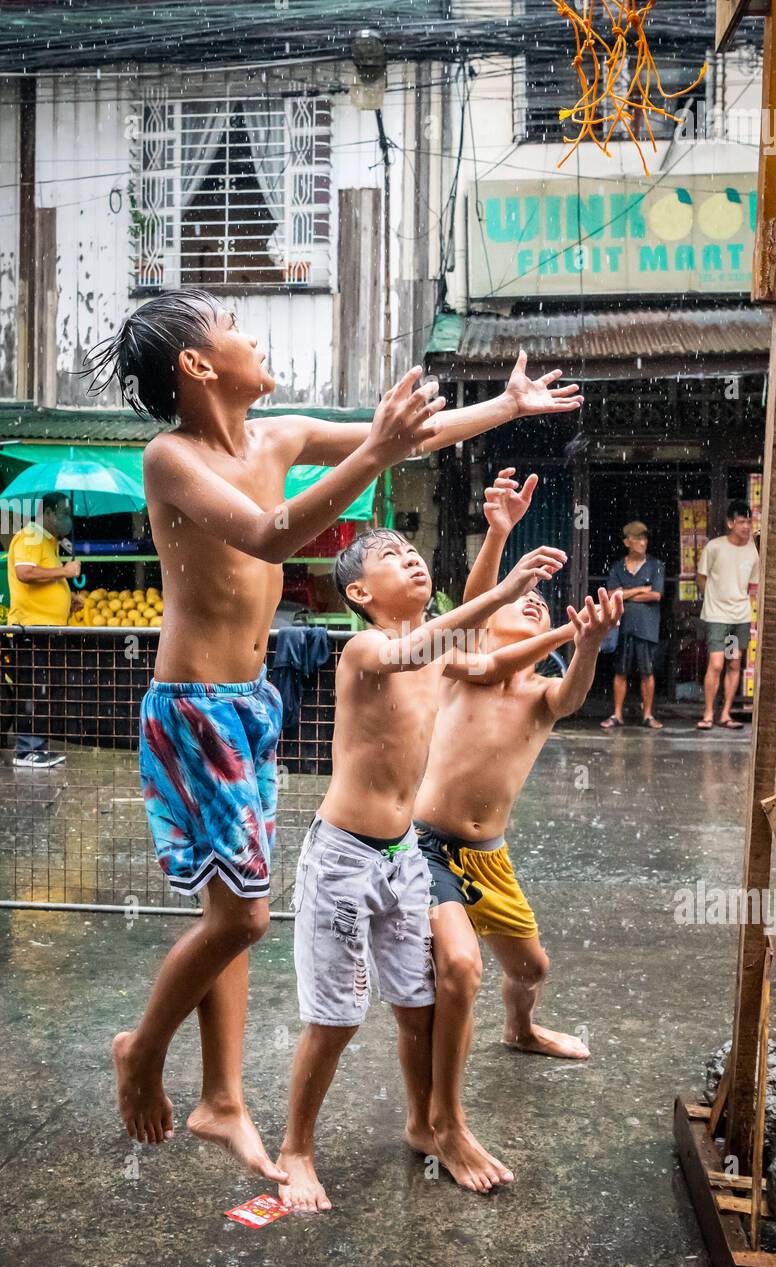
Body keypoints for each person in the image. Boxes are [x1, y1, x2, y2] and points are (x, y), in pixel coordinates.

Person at [85, 288, 582, 1180]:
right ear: (198, 366)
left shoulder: (277, 438)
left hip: (247, 702)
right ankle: (143, 1050)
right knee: (240, 920)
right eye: (232, 328)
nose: (251, 335)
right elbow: (274, 536)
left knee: (229, 912)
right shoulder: (171, 458)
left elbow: (410, 437)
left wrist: (504, 407)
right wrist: (376, 452)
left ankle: (222, 1098)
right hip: (195, 710)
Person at [276, 526, 570, 1211]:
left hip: (403, 855)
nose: (410, 560)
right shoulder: (369, 648)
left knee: (418, 1006)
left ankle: (424, 1124)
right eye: (390, 558)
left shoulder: (441, 650)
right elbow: (422, 647)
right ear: (358, 592)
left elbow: (492, 666)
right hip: (345, 859)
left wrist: (570, 635)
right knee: (338, 1019)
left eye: (414, 553)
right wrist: (502, 590)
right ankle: (295, 1149)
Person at [412, 471, 622, 1191]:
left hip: (489, 859)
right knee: (460, 970)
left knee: (530, 971)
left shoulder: (539, 693)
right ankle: (447, 1122)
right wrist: (498, 532)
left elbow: (572, 690)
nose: (531, 603)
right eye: (521, 600)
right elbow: (473, 610)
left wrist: (588, 642)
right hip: (425, 847)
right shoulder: (461, 667)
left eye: (542, 607)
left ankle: (521, 1029)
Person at [6, 492, 82, 768]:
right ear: (48, 512)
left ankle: (36, 747)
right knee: (32, 687)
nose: (67, 520)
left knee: (42, 689)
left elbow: (40, 578)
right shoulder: (31, 537)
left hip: (46, 629)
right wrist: (65, 572)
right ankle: (26, 751)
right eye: (63, 513)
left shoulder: (48, 542)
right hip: (31, 629)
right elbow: (24, 572)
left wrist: (67, 599)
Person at [696, 501, 759, 731]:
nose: (746, 526)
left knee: (733, 663)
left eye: (749, 521)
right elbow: (701, 578)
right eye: (741, 521)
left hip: (739, 617)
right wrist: (712, 599)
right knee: (716, 663)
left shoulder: (754, 550)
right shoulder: (715, 547)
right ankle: (708, 713)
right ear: (730, 523)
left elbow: (753, 584)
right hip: (716, 616)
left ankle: (725, 713)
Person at [601, 519, 664, 730]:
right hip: (623, 627)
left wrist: (625, 595)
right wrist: (640, 590)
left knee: (647, 671)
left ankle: (648, 715)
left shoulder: (655, 565)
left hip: (646, 628)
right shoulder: (619, 567)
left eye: (644, 538)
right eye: (637, 538)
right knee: (620, 671)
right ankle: (617, 714)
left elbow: (655, 595)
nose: (642, 542)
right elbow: (611, 595)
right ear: (627, 542)